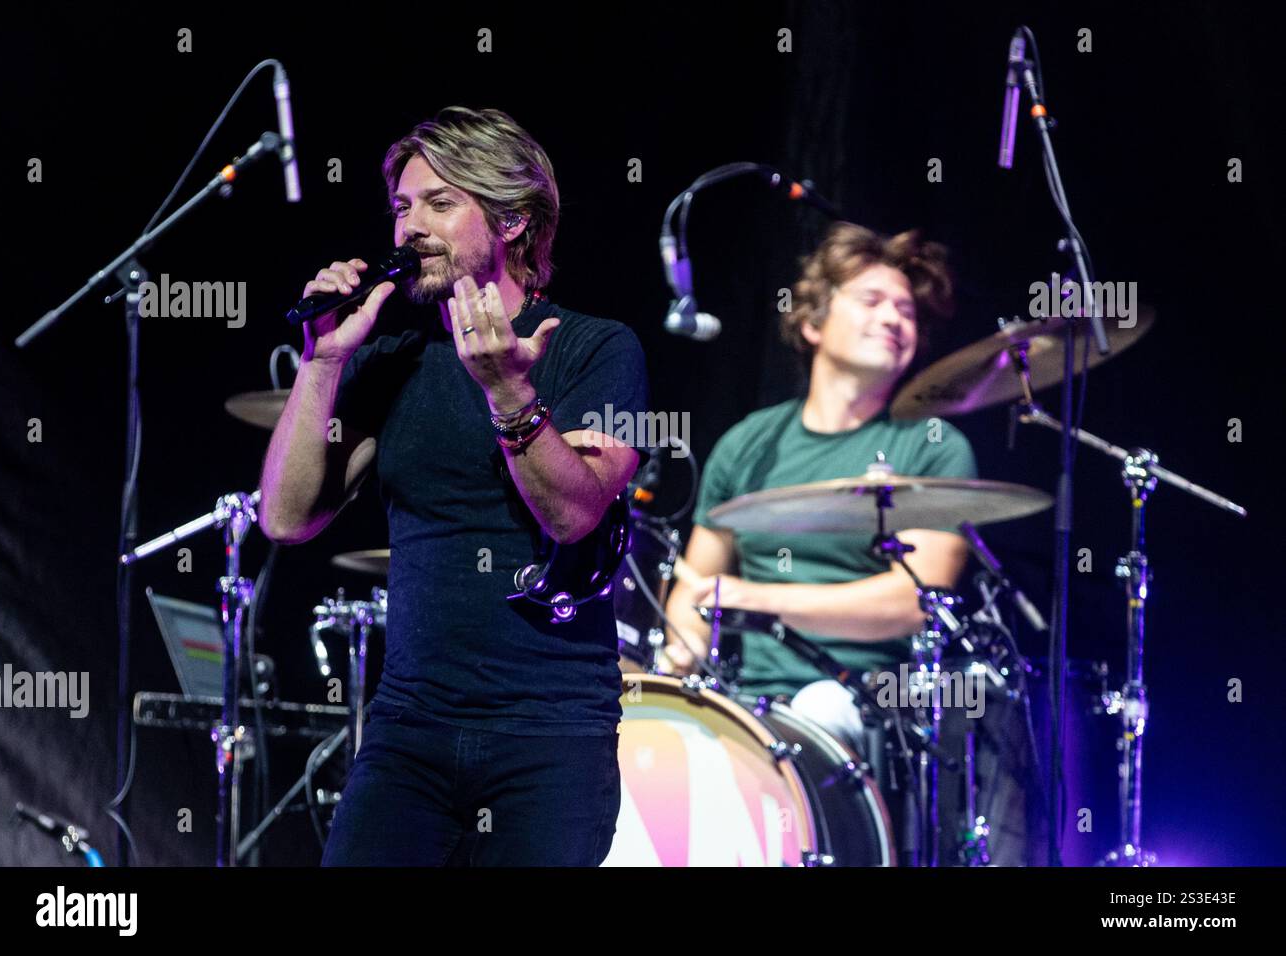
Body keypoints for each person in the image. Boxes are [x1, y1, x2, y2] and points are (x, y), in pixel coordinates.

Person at [259, 106, 649, 866]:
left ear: (511, 221)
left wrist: (509, 394)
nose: (409, 227)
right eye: (402, 207)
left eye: (440, 203)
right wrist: (324, 360)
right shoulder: (393, 359)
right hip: (409, 732)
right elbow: (284, 516)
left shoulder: (594, 348)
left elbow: (572, 514)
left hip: (550, 739)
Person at [663, 222, 1038, 865]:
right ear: (811, 323)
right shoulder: (747, 443)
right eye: (872, 300)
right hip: (746, 698)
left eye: (907, 310)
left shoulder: (933, 447)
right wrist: (676, 657)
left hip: (868, 697)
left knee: (820, 705)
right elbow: (691, 591)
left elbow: (913, 602)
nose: (895, 317)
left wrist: (752, 597)